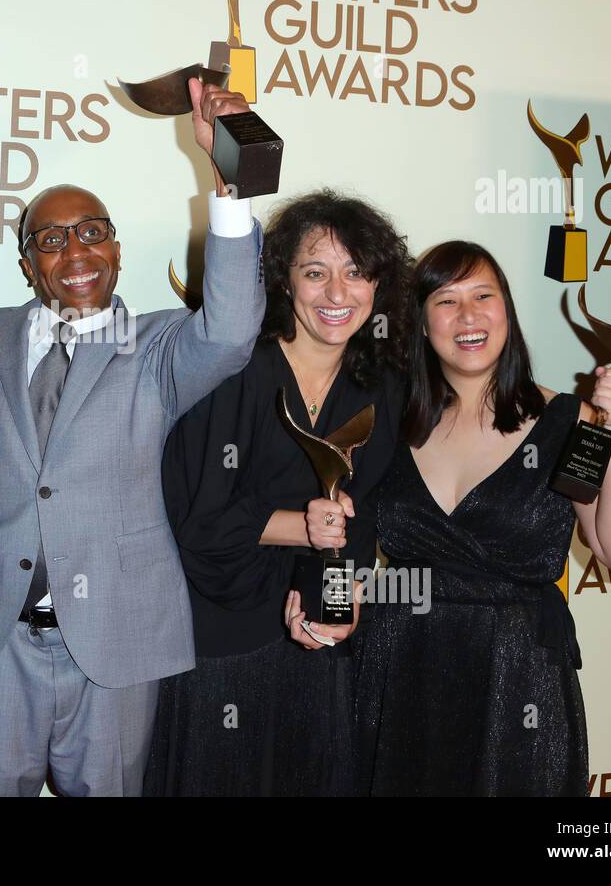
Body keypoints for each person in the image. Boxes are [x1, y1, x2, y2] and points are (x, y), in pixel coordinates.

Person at [0, 78, 266, 796]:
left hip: (117, 640)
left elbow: (230, 330)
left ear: (118, 248)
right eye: (52, 239)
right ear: (28, 263)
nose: (76, 252)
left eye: (92, 231)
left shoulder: (156, 347)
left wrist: (231, 185)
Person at [352, 240, 611, 796]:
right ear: (421, 323)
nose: (467, 315)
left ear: (507, 313)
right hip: (399, 673)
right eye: (446, 300)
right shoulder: (387, 422)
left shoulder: (571, 421)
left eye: (483, 296)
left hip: (516, 685)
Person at [145, 191, 412, 796]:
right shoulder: (235, 369)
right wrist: (301, 525)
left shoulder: (381, 383)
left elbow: (358, 523)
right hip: (217, 642)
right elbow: (194, 522)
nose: (337, 294)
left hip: (314, 647)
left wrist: (338, 612)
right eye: (315, 272)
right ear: (282, 280)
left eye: (355, 273)